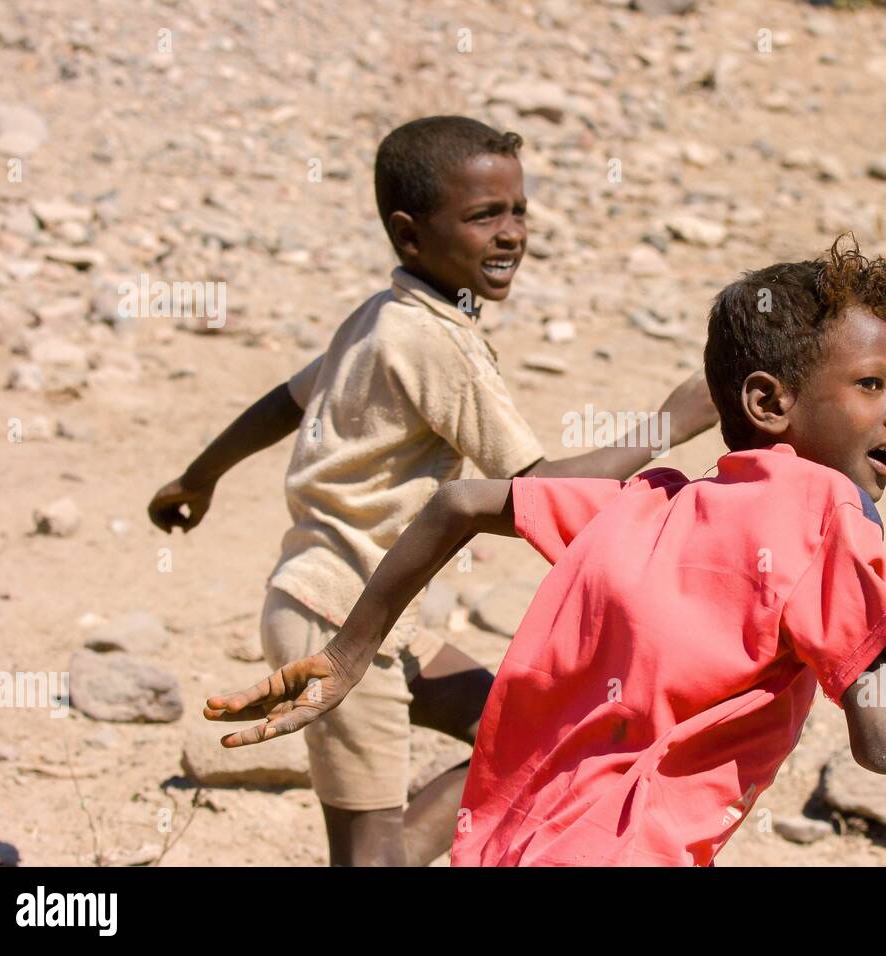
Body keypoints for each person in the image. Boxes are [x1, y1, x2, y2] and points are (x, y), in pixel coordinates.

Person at [203, 235, 886, 866]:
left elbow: (456, 504)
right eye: (873, 384)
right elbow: (883, 738)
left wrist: (350, 654)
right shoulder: (828, 517)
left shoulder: (647, 503)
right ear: (770, 403)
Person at [150, 116, 717, 866]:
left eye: (520, 212)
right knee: (368, 853)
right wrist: (670, 424)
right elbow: (532, 489)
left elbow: (284, 402)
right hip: (336, 623)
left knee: (529, 733)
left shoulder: (381, 316)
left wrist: (200, 475)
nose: (512, 234)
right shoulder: (435, 342)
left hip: (380, 615)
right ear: (410, 236)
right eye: (485, 216)